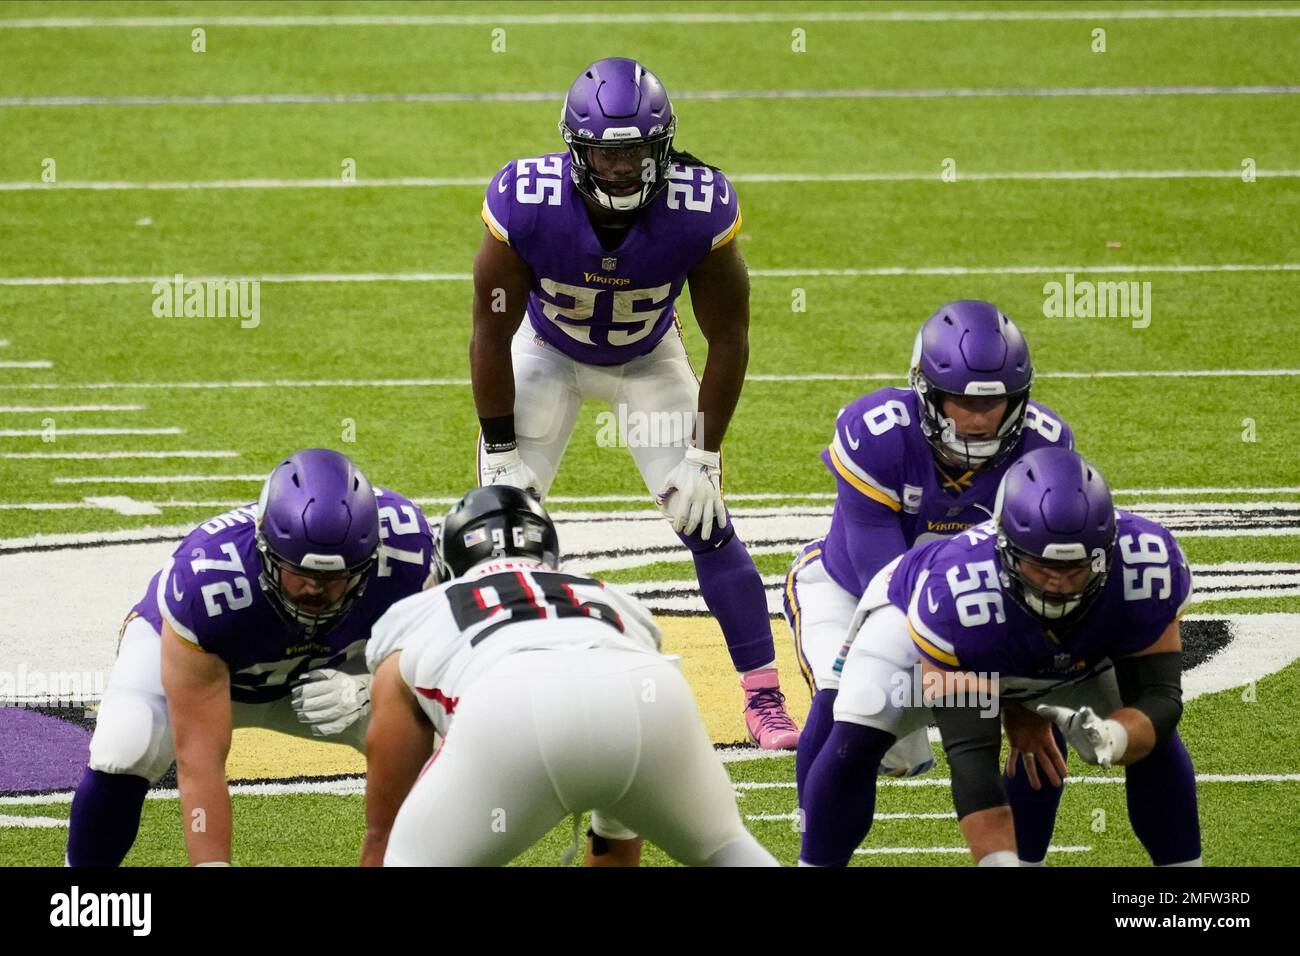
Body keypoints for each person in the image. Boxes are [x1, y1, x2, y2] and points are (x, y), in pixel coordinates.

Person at [469, 57, 799, 758]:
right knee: (495, 530)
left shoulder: (698, 208)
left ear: (663, 148)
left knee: (703, 519)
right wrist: (501, 452)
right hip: (546, 356)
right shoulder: (527, 202)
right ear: (575, 150)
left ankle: (763, 696)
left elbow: (729, 337)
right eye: (604, 154)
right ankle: (463, 699)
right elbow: (490, 330)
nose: (619, 169)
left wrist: (705, 457)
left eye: (635, 153)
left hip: (647, 361)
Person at [799, 447, 1200, 867]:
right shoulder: (955, 592)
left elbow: (1160, 697)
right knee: (861, 720)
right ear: (1005, 547)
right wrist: (1018, 705)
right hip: (915, 625)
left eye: (1076, 567)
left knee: (1155, 742)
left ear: (1107, 550)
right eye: (1040, 565)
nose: (1058, 583)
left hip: (1066, 644)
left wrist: (1114, 738)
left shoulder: (1145, 561)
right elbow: (971, 755)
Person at [361, 486, 778, 867]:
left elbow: (384, 821)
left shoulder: (417, 612)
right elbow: (616, 846)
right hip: (646, 692)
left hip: (507, 704)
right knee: (726, 850)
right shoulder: (608, 596)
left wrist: (383, 837)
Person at [66, 448, 434, 866]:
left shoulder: (408, 551)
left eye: (336, 577)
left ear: (370, 560)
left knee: (436, 740)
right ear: (264, 548)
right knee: (127, 743)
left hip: (328, 679)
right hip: (216, 674)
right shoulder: (207, 582)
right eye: (302, 573)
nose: (317, 590)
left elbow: (436, 654)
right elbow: (199, 762)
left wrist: (369, 687)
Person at [785, 300, 1072, 798]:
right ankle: (815, 846)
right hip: (854, 592)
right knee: (843, 703)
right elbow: (882, 578)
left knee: (1037, 709)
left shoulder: (1043, 446)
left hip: (978, 602)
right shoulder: (877, 432)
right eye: (963, 400)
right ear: (925, 391)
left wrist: (1019, 700)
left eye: (995, 401)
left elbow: (1032, 573)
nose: (979, 419)